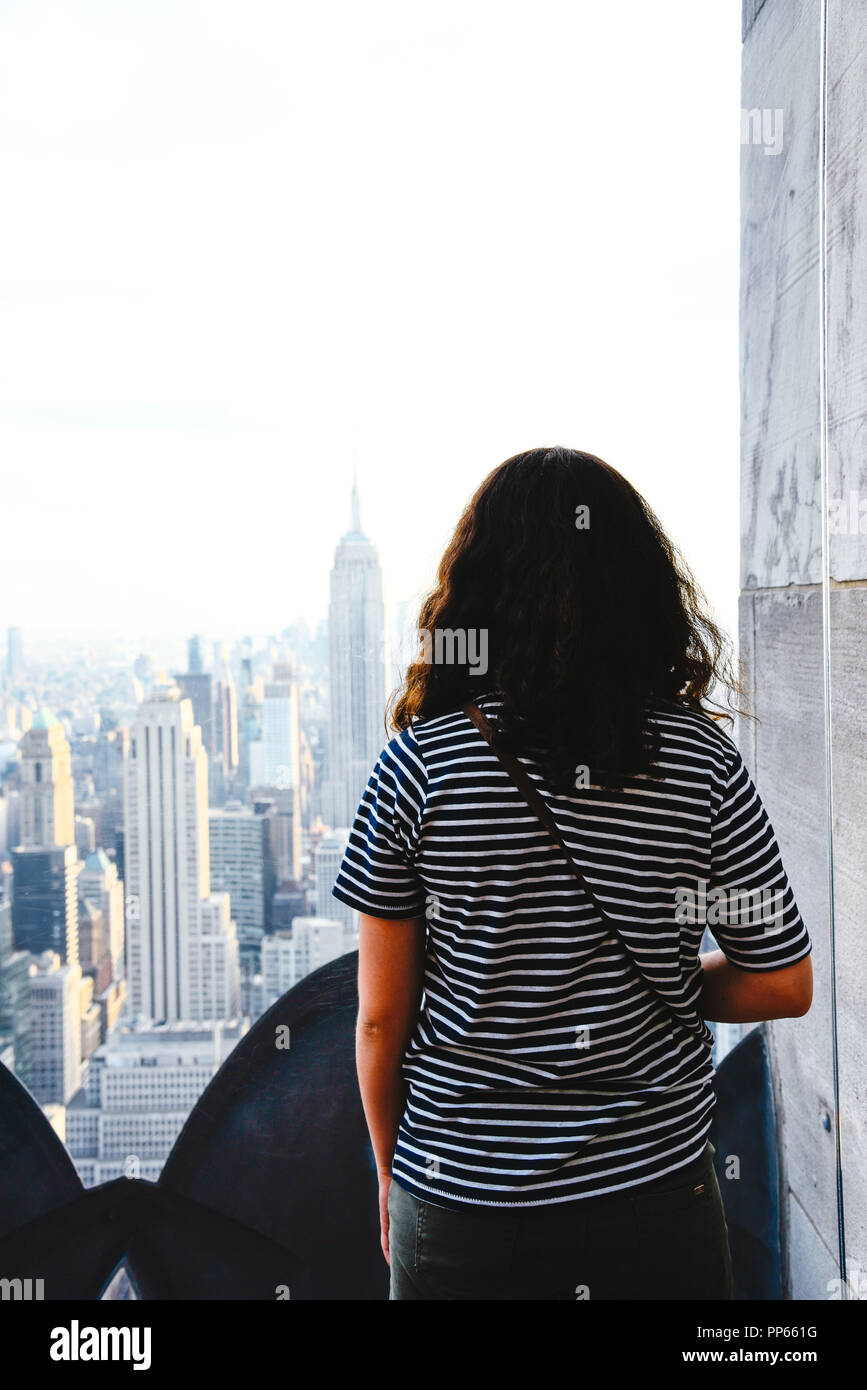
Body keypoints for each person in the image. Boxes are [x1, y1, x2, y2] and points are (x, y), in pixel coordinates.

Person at [332, 446, 812, 1301]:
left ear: (474, 591)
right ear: (640, 590)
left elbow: (379, 1024)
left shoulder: (420, 770)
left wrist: (390, 1175)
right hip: (654, 1197)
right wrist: (661, 984)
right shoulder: (702, 763)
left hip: (462, 1200)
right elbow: (780, 982)